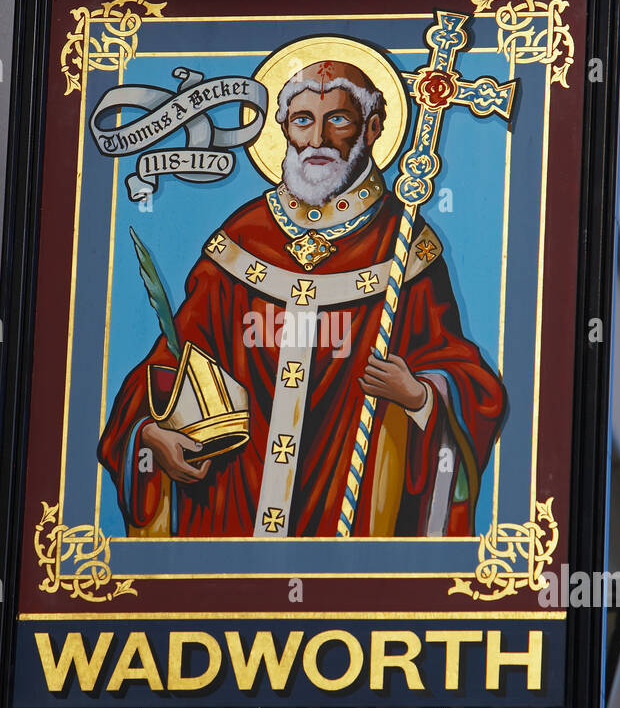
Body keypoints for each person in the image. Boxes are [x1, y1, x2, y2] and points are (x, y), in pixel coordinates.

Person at [98, 57, 506, 538]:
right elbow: (172, 364)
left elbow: (469, 381)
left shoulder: (402, 246)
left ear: (372, 129)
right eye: (302, 121)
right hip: (234, 508)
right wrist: (150, 434)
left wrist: (417, 396)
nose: (316, 141)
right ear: (283, 129)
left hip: (351, 513)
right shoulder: (242, 239)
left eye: (337, 120)